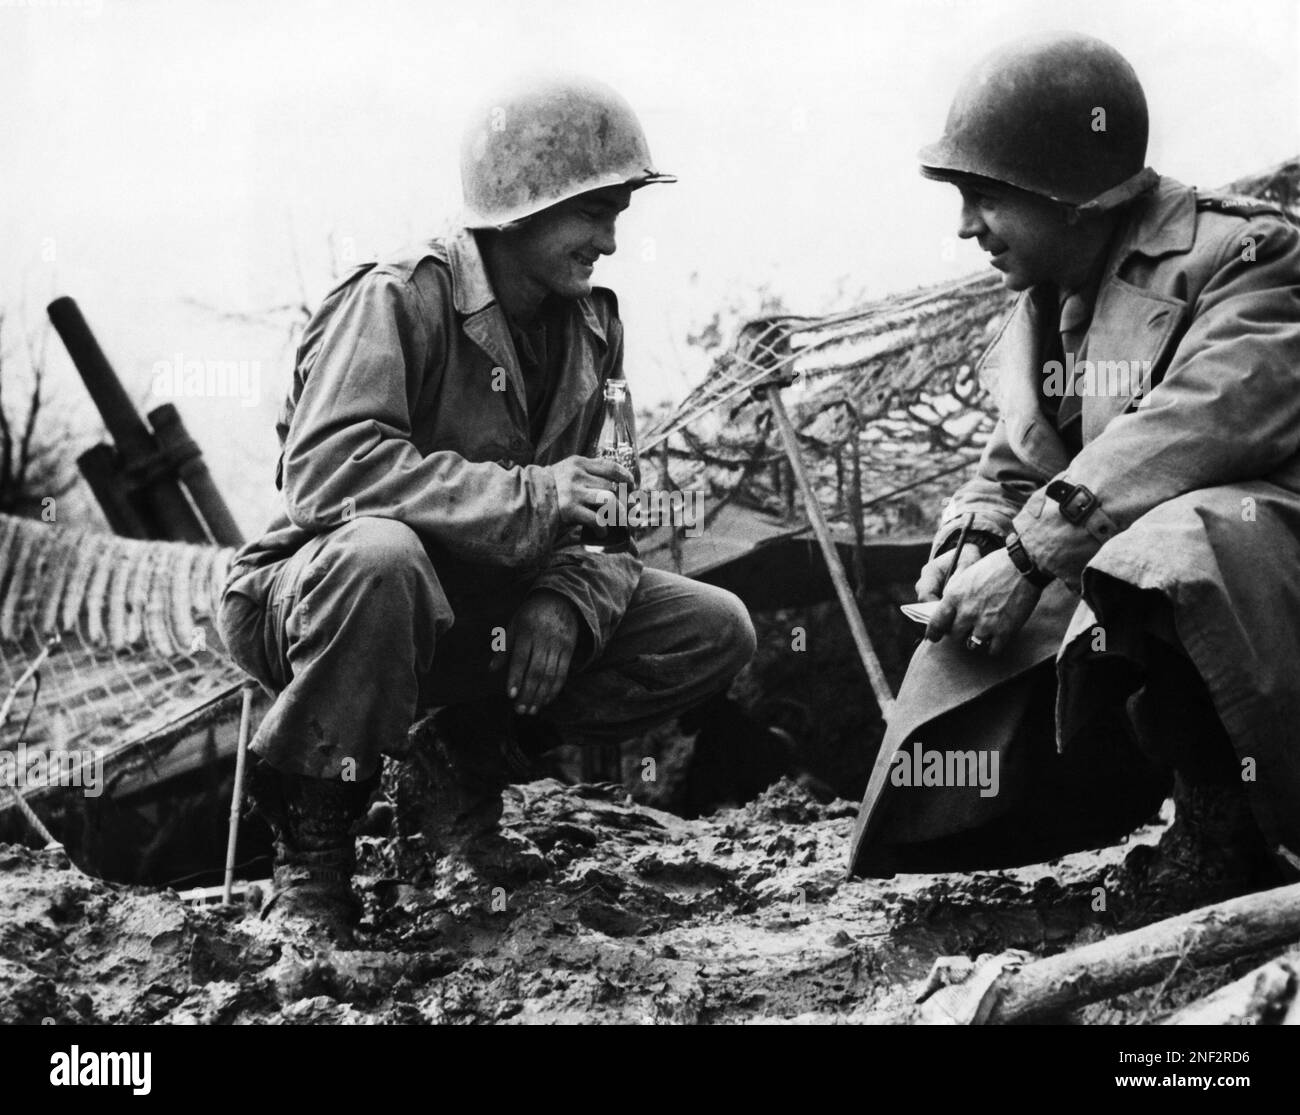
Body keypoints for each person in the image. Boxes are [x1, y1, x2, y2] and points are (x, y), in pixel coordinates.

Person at [218, 76, 756, 940]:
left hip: (478, 612)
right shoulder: (397, 298)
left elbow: (610, 514)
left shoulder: (591, 327)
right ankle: (312, 865)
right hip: (320, 602)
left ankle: (456, 764)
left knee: (713, 626)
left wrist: (565, 598)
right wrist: (532, 495)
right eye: (595, 214)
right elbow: (326, 472)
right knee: (380, 556)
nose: (610, 243)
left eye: (619, 214)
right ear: (520, 211)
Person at [848, 32, 1300, 915]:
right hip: (1154, 569)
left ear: (1074, 197)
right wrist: (974, 536)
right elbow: (1017, 467)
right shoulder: (1042, 303)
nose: (965, 226)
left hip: (1268, 564)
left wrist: (1024, 558)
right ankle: (1123, 811)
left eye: (985, 197)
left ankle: (1229, 824)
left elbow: (1201, 424)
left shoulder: (1251, 254)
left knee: (1168, 544)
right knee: (974, 637)